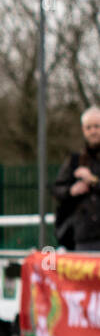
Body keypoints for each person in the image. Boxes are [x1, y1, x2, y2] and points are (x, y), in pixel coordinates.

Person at [52, 106, 100, 251]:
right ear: (83, 130)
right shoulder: (75, 160)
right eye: (89, 127)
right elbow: (56, 189)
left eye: (97, 126)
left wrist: (93, 180)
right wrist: (71, 191)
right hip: (82, 235)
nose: (93, 131)